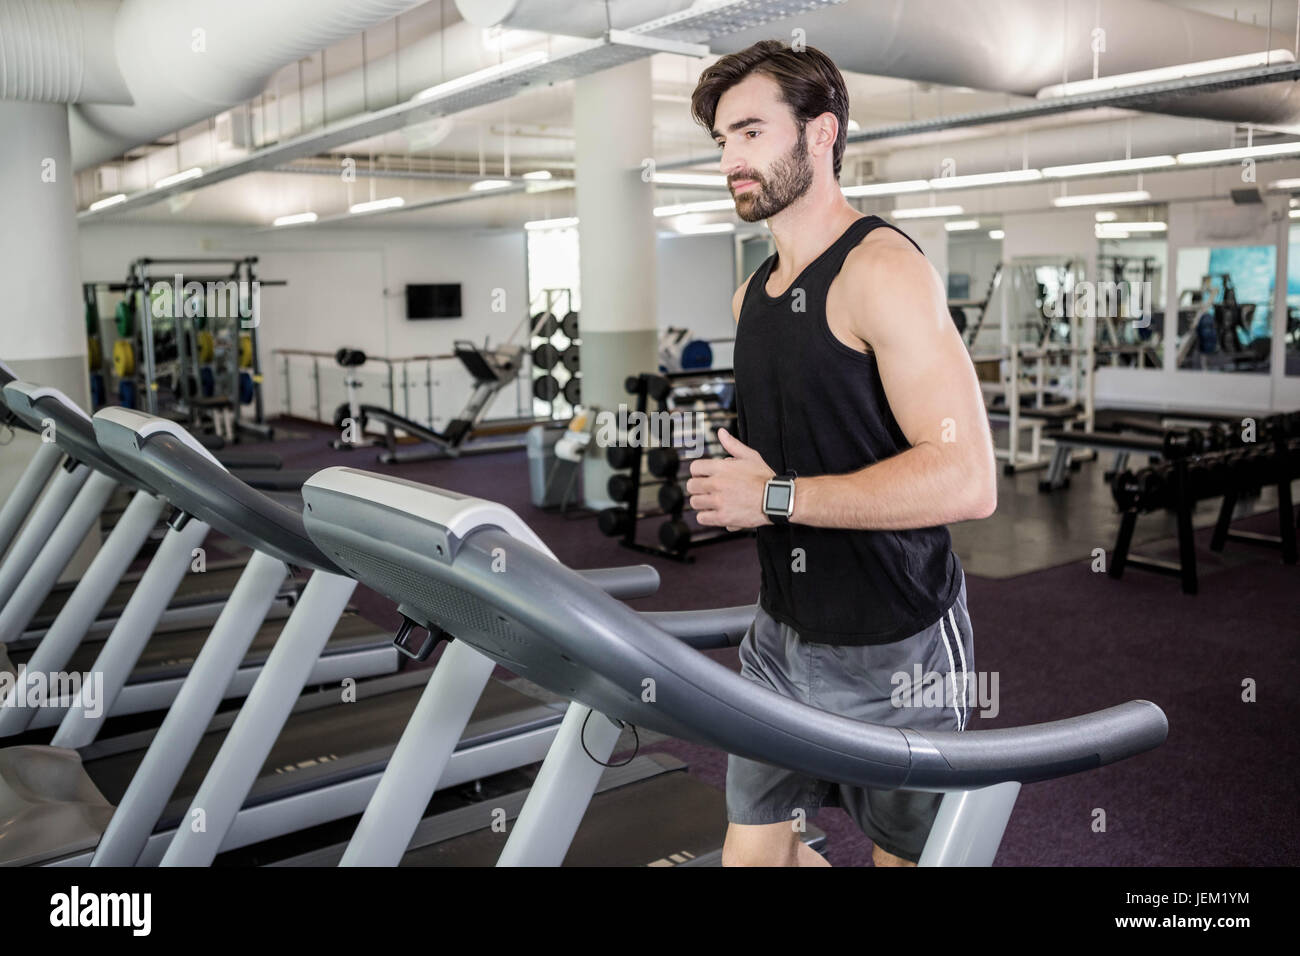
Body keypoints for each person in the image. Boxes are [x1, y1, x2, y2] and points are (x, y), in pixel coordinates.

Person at [685, 40, 997, 867]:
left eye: (750, 132)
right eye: (721, 140)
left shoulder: (882, 270)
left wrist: (775, 497)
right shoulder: (749, 294)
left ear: (821, 134)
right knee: (753, 858)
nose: (730, 160)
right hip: (780, 636)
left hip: (897, 643)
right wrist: (738, 488)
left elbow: (968, 479)